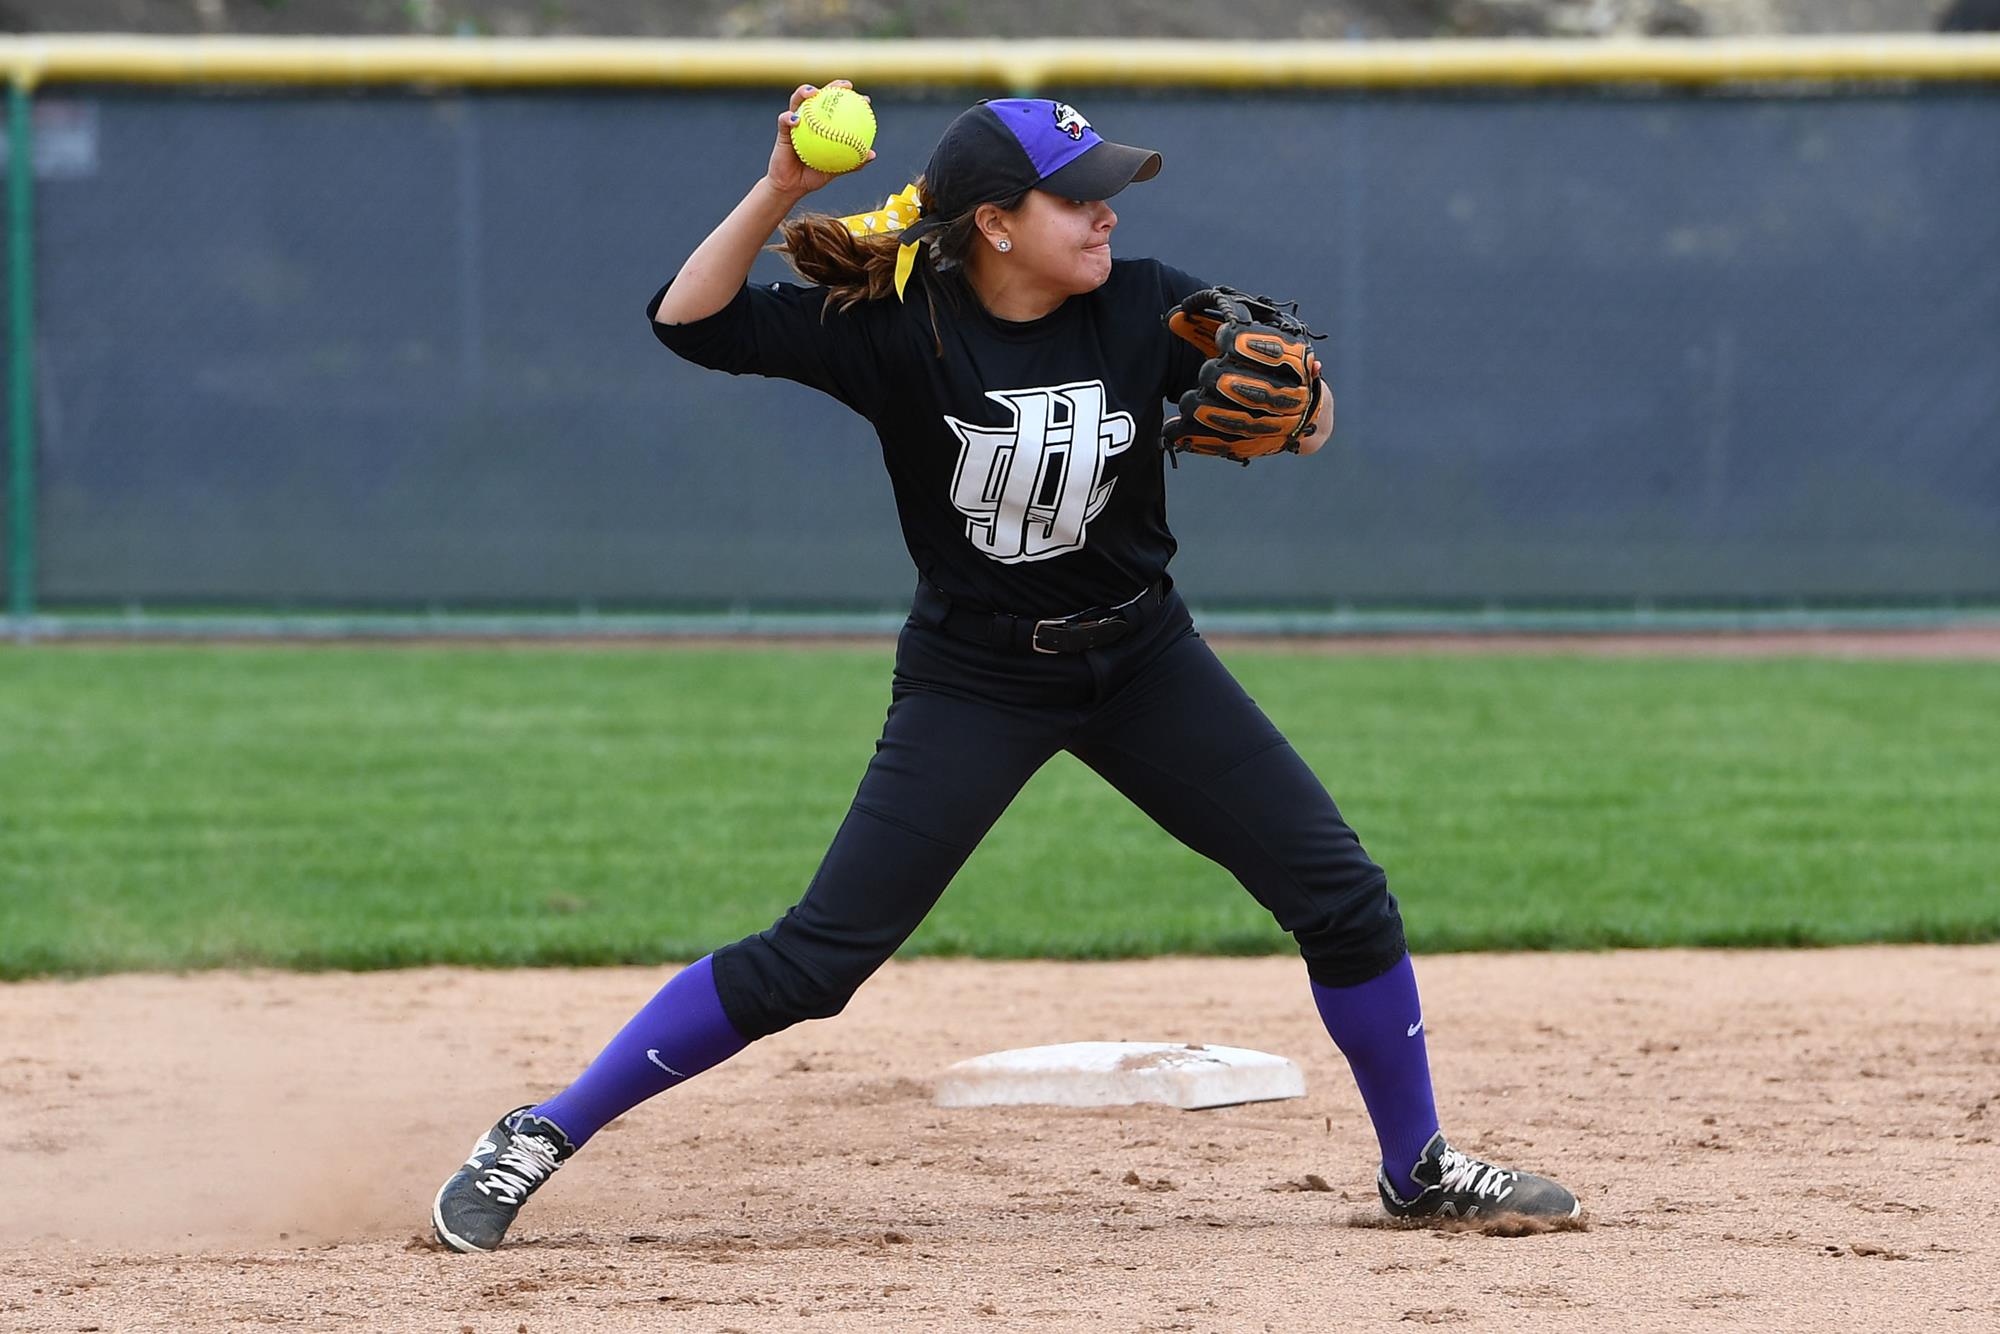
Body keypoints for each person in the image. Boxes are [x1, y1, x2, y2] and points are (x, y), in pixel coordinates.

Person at [430, 81, 1581, 1254]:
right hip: (975, 677)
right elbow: (690, 322)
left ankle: (1417, 1166)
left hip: (1142, 655)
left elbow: (1309, 421)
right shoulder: (898, 328)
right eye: (1074, 198)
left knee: (1341, 895)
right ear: (991, 222)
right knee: (818, 960)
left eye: (1109, 193)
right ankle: (542, 1128)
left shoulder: (1143, 301)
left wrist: (1302, 398)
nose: (1105, 217)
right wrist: (782, 189)